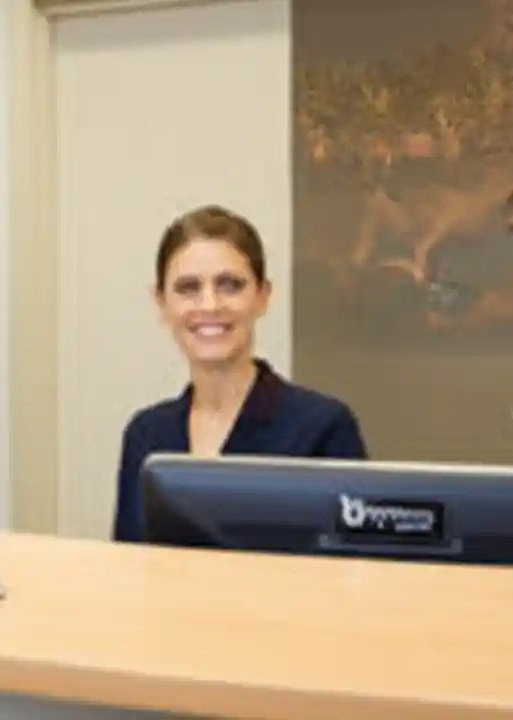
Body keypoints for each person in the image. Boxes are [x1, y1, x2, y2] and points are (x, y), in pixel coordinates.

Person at [113, 205, 368, 542]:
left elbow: (354, 566)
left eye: (230, 285)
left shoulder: (322, 427)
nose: (209, 305)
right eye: (188, 288)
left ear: (262, 297)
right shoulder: (147, 434)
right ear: (161, 303)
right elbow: (130, 563)